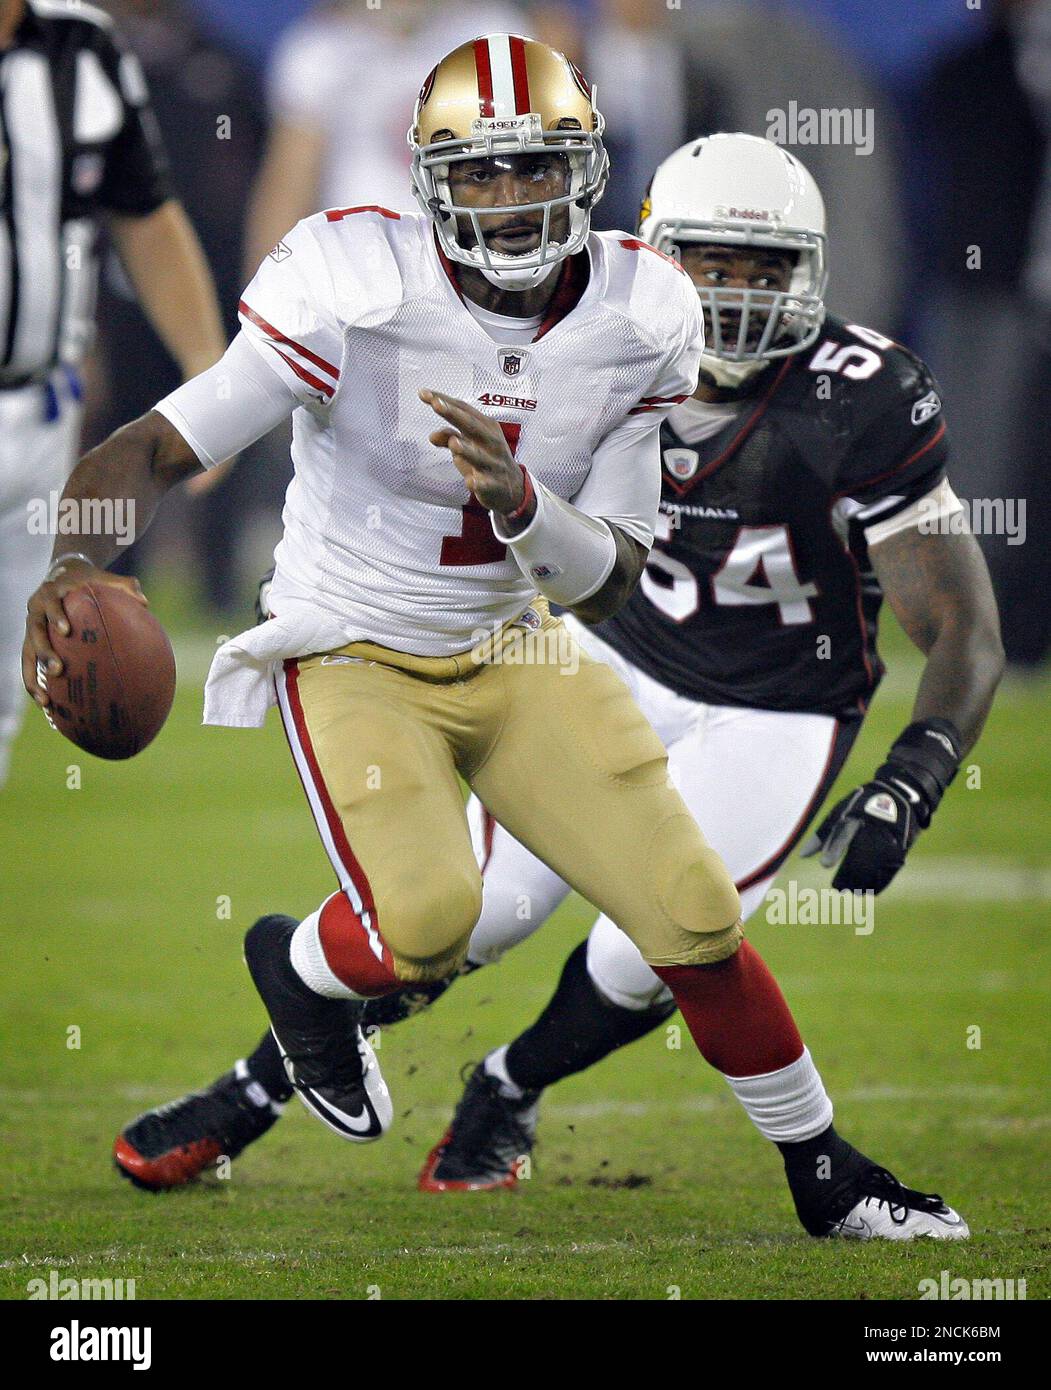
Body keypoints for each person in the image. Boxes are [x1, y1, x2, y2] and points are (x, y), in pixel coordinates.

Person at [30, 58, 971, 1241]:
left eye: (539, 166)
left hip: (516, 650)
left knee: (690, 912)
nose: (514, 197)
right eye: (481, 171)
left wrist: (528, 508)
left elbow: (615, 569)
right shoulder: (354, 281)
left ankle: (826, 1175)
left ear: (586, 174)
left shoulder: (640, 312)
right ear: (430, 183)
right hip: (356, 646)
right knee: (426, 923)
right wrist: (74, 561)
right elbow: (161, 445)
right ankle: (299, 974)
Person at [0, 0, 225, 787]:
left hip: (39, 417)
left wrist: (206, 367)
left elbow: (144, 214)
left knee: (8, 698)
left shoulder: (81, 44)